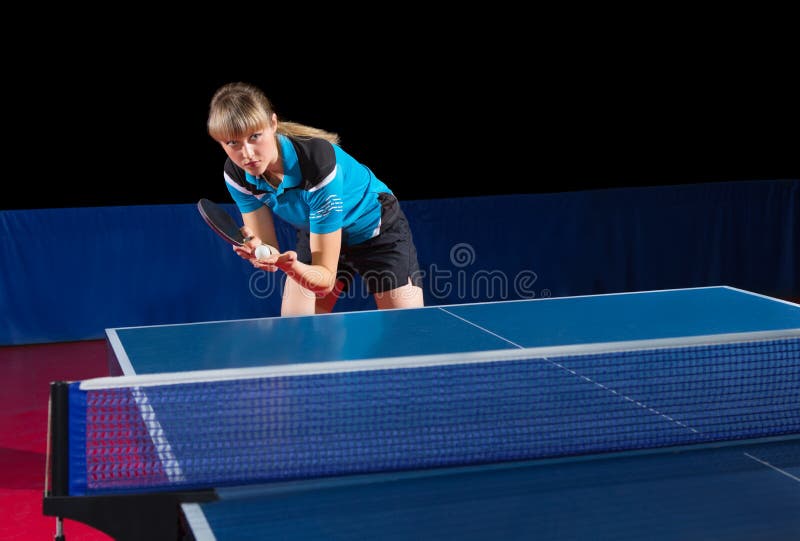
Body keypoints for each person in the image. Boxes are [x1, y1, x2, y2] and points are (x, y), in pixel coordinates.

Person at [207, 82, 424, 316]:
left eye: (255, 137)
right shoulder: (237, 175)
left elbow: (325, 280)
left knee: (405, 332)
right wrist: (263, 252)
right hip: (318, 231)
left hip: (375, 230)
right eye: (233, 143)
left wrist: (291, 266)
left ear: (273, 123)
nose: (247, 154)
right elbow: (268, 248)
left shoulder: (316, 163)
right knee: (296, 332)